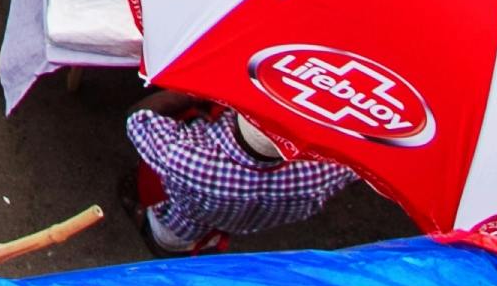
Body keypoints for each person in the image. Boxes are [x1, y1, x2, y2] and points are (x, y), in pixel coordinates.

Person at [127, 96, 357, 254]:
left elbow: (137, 118)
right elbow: (357, 164)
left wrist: (187, 95)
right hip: (245, 221)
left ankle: (151, 232)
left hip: (181, 225)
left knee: (166, 239)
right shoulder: (324, 172)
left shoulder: (191, 159)